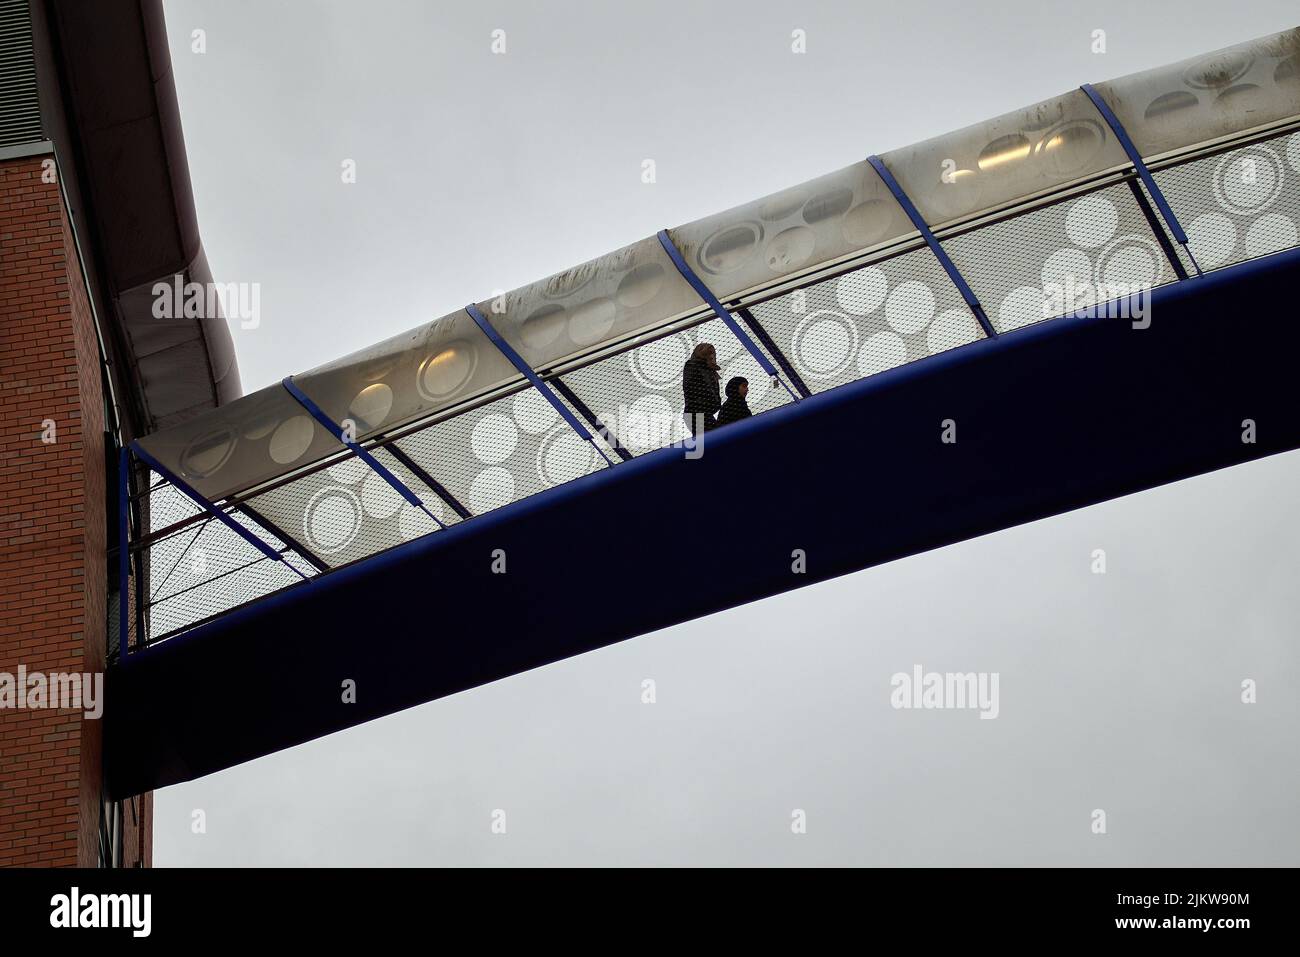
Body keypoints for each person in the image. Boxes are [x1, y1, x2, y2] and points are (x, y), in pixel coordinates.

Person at [681, 342, 721, 436]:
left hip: (703, 412)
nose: (711, 356)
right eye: (708, 353)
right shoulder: (692, 365)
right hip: (697, 412)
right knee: (708, 440)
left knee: (711, 438)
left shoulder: (710, 370)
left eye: (712, 353)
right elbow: (692, 387)